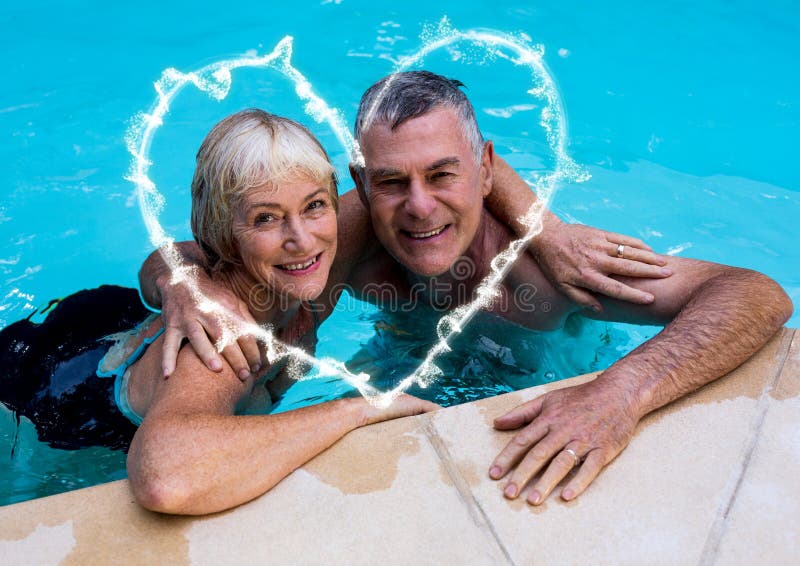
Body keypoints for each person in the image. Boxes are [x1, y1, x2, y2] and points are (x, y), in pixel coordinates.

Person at [143, 71, 793, 508]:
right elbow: (213, 250)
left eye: (443, 175)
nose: (420, 208)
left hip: (533, 382)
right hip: (397, 377)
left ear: (484, 169)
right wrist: (180, 280)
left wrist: (619, 394)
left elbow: (754, 293)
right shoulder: (337, 235)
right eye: (394, 182)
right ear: (363, 183)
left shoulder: (545, 271)